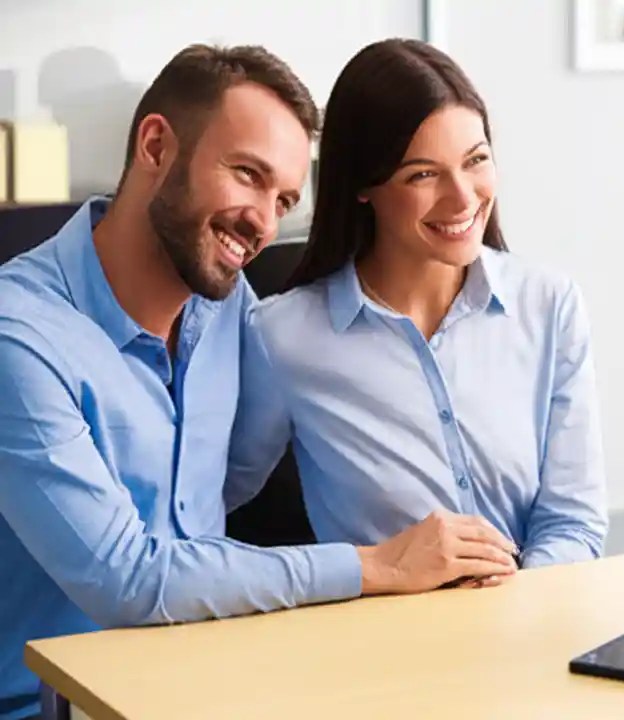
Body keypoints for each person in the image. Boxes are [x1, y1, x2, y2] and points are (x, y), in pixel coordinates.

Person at [0, 45, 517, 720]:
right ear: (156, 145)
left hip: (202, 680)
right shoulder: (20, 335)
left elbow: (225, 486)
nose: (264, 224)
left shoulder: (229, 307)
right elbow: (125, 579)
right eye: (247, 175)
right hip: (44, 705)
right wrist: (375, 566)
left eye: (285, 199)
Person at [238, 39, 608, 576]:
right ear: (364, 185)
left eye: (476, 160)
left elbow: (574, 520)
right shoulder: (284, 337)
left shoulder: (549, 306)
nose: (462, 198)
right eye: (423, 174)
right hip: (382, 643)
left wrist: (515, 594)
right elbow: (206, 509)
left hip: (533, 622)